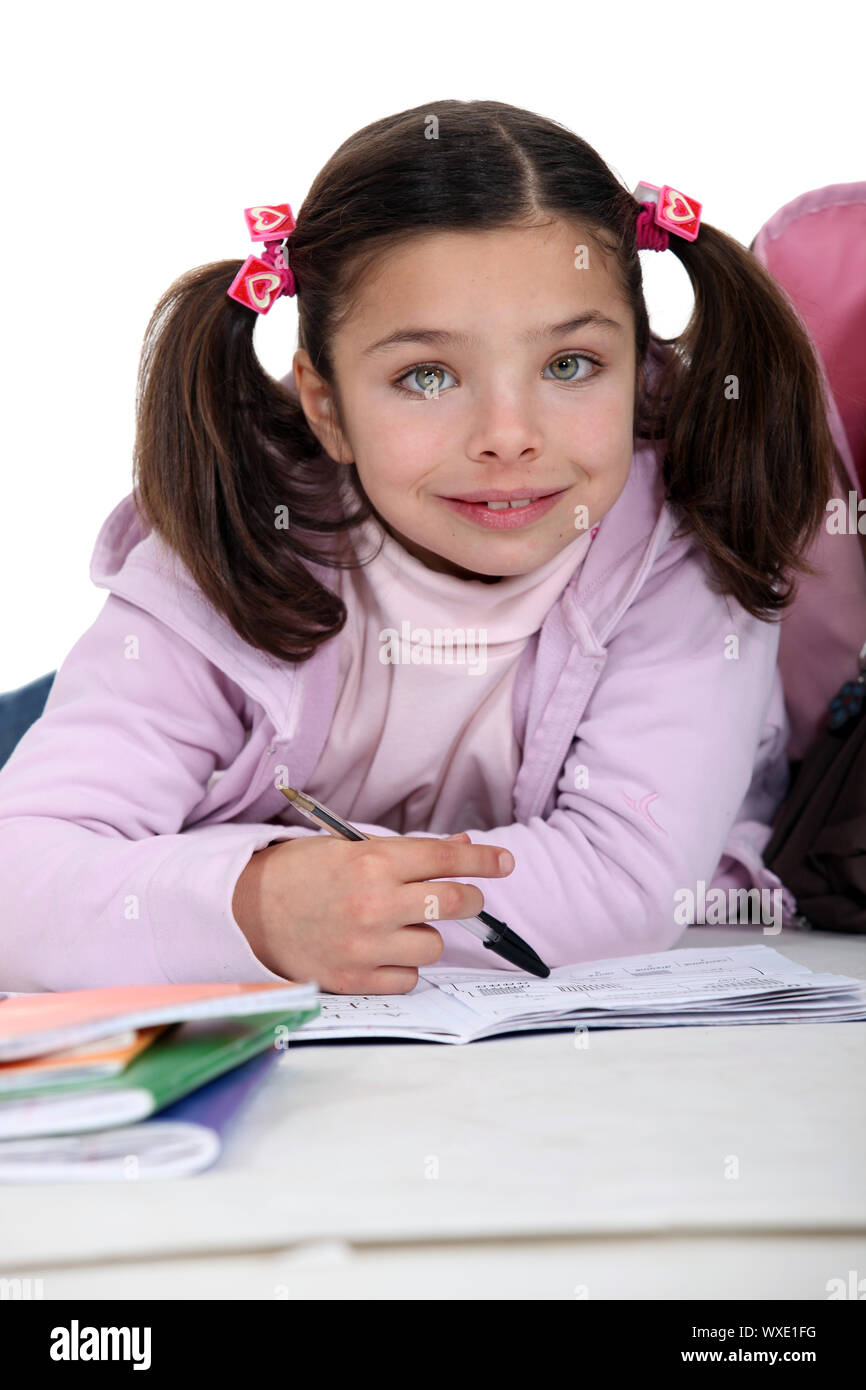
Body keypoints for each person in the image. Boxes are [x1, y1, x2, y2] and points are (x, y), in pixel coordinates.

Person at [0, 100, 834, 992]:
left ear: (635, 365)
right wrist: (261, 904)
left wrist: (289, 892)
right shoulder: (229, 546)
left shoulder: (682, 540)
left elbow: (623, 884)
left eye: (569, 365)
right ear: (327, 406)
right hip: (103, 718)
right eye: (426, 376)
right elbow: (21, 882)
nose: (508, 436)